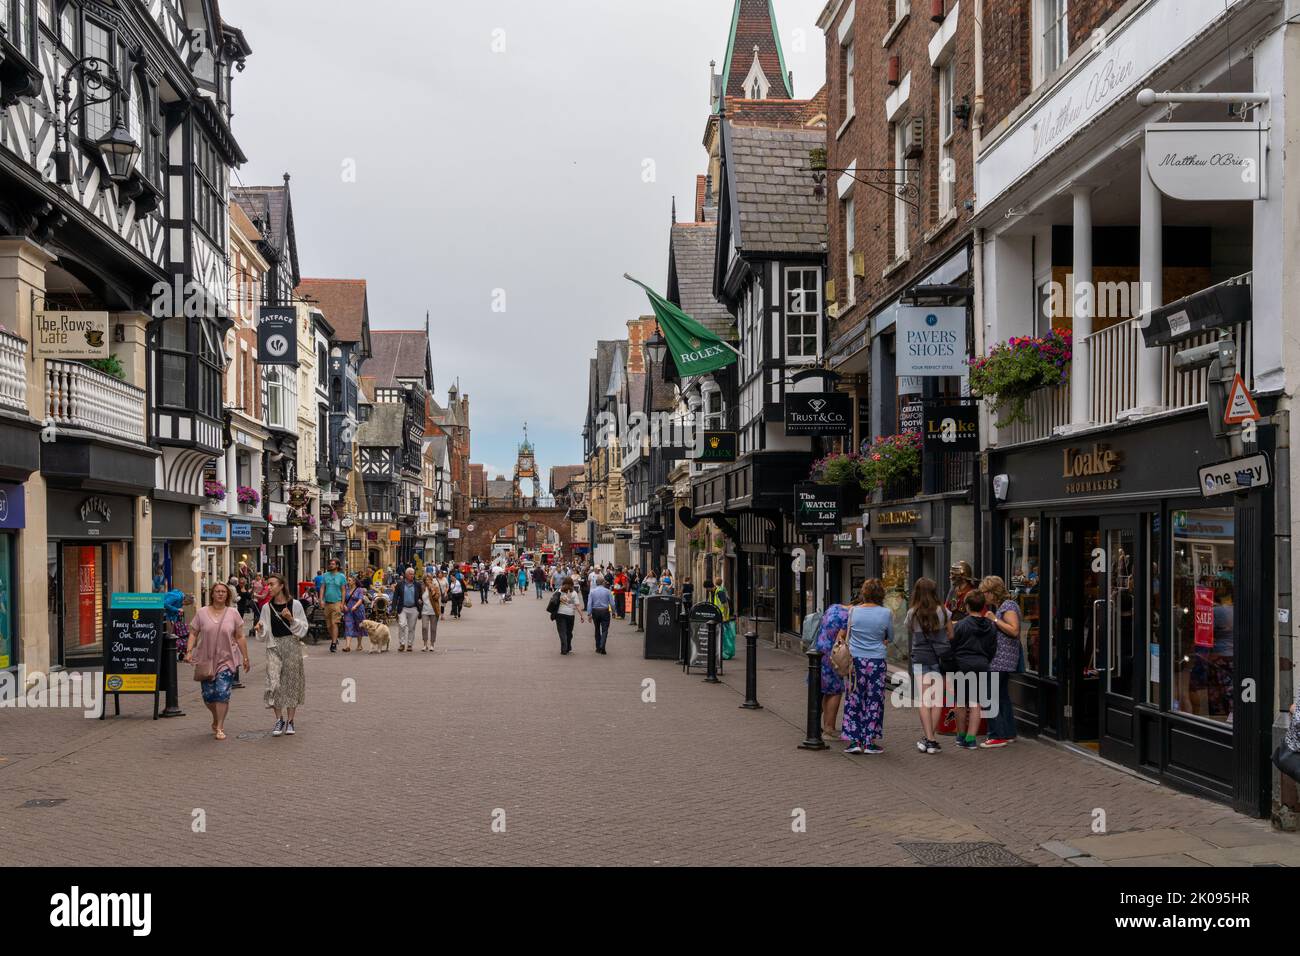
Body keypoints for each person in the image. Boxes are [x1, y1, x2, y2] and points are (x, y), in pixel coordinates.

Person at [183, 581, 251, 741]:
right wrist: (189, 651)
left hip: (227, 659)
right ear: (212, 594)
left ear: (227, 595)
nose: (220, 594)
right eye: (217, 591)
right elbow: (193, 633)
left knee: (222, 693)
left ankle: (219, 726)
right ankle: (215, 717)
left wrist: (246, 657)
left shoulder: (233, 613)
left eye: (223, 592)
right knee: (208, 695)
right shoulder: (201, 613)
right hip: (205, 659)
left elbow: (240, 636)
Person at [840, 579, 893, 755]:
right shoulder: (886, 613)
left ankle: (854, 740)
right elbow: (889, 636)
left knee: (854, 697)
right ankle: (869, 741)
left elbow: (849, 633)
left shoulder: (853, 611)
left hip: (855, 661)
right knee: (874, 700)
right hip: (877, 661)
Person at [905, 577, 953, 755]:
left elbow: (910, 630)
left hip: (920, 658)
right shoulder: (944, 611)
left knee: (925, 700)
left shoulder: (912, 612)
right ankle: (931, 739)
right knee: (938, 701)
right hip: (939, 659)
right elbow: (951, 634)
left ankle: (929, 739)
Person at [256, 573, 308, 737]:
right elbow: (264, 633)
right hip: (274, 646)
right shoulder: (266, 607)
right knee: (274, 683)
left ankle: (290, 721)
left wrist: (291, 619)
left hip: (291, 646)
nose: (268, 588)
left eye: (271, 584)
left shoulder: (295, 604)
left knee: (291, 682)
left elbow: (303, 628)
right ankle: (279, 719)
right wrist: (260, 628)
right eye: (268, 584)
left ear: (281, 585)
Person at [950, 590, 997, 749]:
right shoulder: (991, 627)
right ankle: (971, 739)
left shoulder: (961, 625)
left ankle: (961, 736)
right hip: (982, 665)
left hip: (962, 666)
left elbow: (952, 646)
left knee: (961, 702)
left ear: (967, 606)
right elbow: (992, 649)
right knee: (976, 702)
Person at [980, 575, 1021, 748]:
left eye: (984, 593)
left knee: (988, 696)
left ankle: (996, 735)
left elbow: (1014, 630)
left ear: (992, 592)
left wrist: (994, 619)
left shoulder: (1008, 606)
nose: (983, 597)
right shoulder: (1001, 606)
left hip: (1001, 659)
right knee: (1002, 696)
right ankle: (1009, 732)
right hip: (1001, 659)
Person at [812, 602, 850, 737]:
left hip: (819, 652)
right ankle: (829, 728)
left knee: (825, 689)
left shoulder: (833, 608)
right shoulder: (848, 616)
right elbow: (841, 638)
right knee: (835, 691)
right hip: (834, 655)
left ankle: (820, 725)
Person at [390, 567, 423, 652]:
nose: (412, 575)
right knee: (402, 625)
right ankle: (402, 643)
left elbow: (421, 596)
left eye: (413, 574)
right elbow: (395, 597)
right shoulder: (400, 584)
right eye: (410, 574)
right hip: (403, 608)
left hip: (414, 608)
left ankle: (409, 644)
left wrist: (420, 601)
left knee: (411, 628)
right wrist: (393, 608)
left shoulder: (417, 584)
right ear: (406, 575)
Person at [319, 558, 348, 653]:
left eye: (333, 564)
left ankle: (333, 643)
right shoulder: (325, 575)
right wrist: (321, 600)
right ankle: (334, 639)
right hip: (327, 602)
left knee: (334, 623)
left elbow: (343, 590)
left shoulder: (341, 576)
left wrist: (342, 603)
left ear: (337, 566)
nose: (331, 565)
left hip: (337, 602)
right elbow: (322, 588)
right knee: (328, 625)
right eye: (330, 564)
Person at [553, 579, 586, 655]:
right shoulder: (574, 593)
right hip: (570, 614)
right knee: (569, 632)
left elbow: (553, 600)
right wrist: (582, 615)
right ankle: (568, 648)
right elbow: (577, 605)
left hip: (560, 614)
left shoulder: (559, 590)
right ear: (572, 584)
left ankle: (564, 649)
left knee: (562, 632)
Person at [587, 575, 614, 654]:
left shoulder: (592, 592)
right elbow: (612, 603)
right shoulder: (608, 591)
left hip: (595, 611)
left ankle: (598, 647)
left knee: (597, 629)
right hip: (605, 611)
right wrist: (614, 612)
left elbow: (589, 604)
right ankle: (602, 645)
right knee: (605, 630)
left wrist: (589, 614)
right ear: (603, 583)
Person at [341, 573, 368, 653]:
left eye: (349, 580)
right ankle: (348, 646)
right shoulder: (346, 589)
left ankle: (359, 644)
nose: (348, 582)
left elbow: (360, 599)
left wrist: (355, 606)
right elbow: (343, 599)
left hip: (358, 610)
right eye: (347, 580)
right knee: (348, 625)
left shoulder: (360, 589)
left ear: (354, 581)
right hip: (348, 610)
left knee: (359, 626)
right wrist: (344, 605)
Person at [713, 580, 736, 659]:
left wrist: (726, 616)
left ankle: (725, 653)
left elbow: (725, 605)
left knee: (725, 637)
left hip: (723, 617)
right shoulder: (722, 590)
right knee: (726, 636)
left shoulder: (719, 591)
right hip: (722, 617)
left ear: (715, 582)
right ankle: (724, 652)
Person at [420, 572, 442, 651]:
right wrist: (419, 601)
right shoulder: (422, 588)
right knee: (424, 627)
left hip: (433, 611)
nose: (428, 581)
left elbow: (437, 597)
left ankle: (432, 644)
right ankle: (425, 644)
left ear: (431, 580)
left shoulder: (435, 587)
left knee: (433, 629)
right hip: (424, 611)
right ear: (424, 580)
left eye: (429, 579)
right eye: (426, 579)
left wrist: (432, 591)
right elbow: (419, 597)